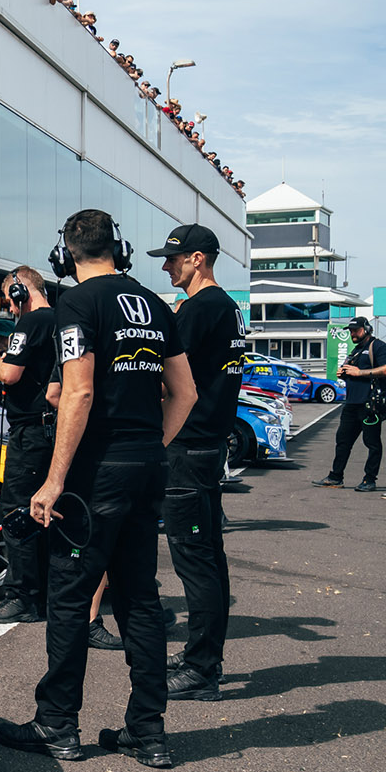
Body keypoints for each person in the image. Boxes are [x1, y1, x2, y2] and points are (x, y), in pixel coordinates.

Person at [0, 209, 196, 770]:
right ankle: (148, 732)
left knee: (67, 596)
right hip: (147, 467)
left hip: (95, 476)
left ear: (64, 255)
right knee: (139, 597)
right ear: (121, 249)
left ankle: (57, 725)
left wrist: (54, 479)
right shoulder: (156, 304)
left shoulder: (75, 305)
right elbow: (185, 394)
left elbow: (78, 393)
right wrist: (149, 443)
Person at [149, 225, 245, 701]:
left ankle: (203, 668)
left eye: (174, 258)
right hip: (209, 445)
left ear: (199, 260)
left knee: (196, 562)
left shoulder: (200, 309)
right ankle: (203, 658)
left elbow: (165, 377)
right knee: (210, 558)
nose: (167, 266)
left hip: (188, 447)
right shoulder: (226, 307)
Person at [0, 266, 58, 626]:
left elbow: (10, 374)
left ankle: (21, 597)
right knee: (45, 514)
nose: (10, 310)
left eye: (9, 301)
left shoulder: (30, 323)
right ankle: (42, 594)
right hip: (51, 431)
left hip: (30, 433)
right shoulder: (60, 320)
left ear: (20, 291)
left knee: (16, 513)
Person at [312, 317, 386, 490]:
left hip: (370, 404)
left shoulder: (378, 347)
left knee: (372, 443)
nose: (353, 334)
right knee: (343, 441)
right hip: (352, 403)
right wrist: (344, 373)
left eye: (356, 330)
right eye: (351, 331)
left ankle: (369, 480)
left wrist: (360, 372)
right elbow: (351, 371)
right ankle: (335, 477)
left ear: (367, 329)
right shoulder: (355, 350)